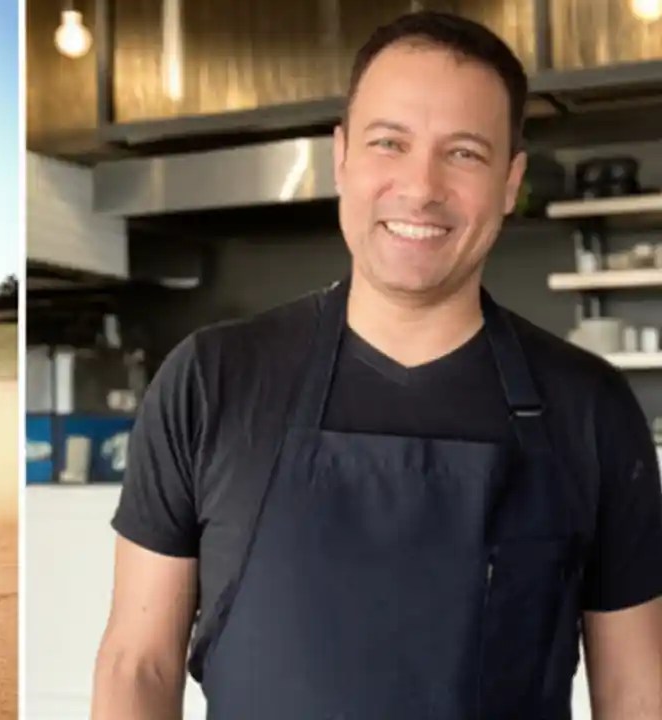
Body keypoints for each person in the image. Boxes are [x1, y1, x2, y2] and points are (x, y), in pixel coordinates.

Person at [92, 11, 662, 720]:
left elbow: (638, 694)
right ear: (342, 158)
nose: (420, 187)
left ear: (511, 181)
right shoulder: (210, 381)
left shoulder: (592, 409)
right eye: (389, 142)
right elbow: (138, 666)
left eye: (464, 153)